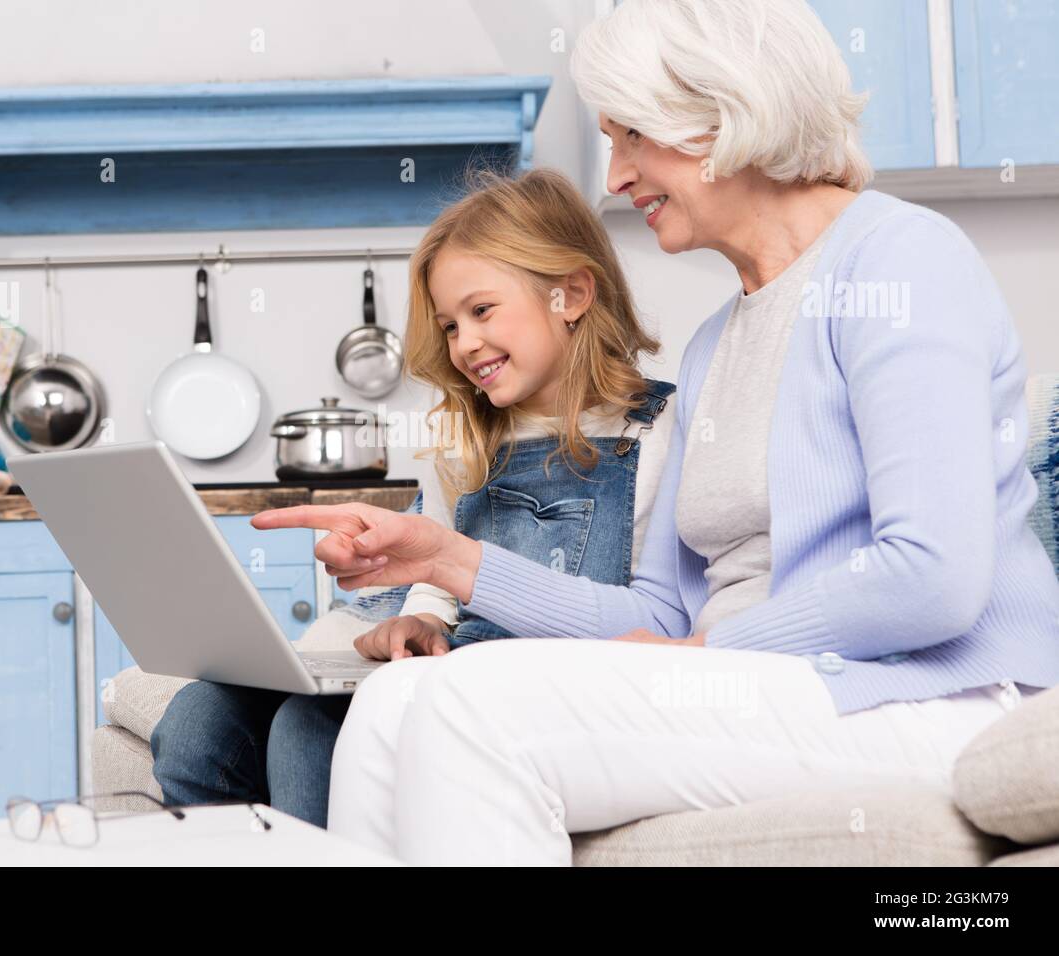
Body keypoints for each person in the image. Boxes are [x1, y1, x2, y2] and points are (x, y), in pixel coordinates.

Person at [251, 0, 1059, 864]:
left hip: (928, 696)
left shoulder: (900, 262)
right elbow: (658, 611)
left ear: (725, 113)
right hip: (765, 683)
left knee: (472, 709)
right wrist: (443, 559)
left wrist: (710, 649)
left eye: (632, 135)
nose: (615, 175)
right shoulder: (719, 340)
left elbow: (932, 578)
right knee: (390, 707)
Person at [150, 167, 678, 828]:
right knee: (199, 719)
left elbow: (661, 616)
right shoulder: (467, 439)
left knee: (310, 731)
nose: (465, 344)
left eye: (481, 311)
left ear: (569, 295)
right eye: (450, 326)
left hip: (539, 687)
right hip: (448, 665)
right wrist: (424, 619)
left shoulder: (658, 434)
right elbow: (441, 567)